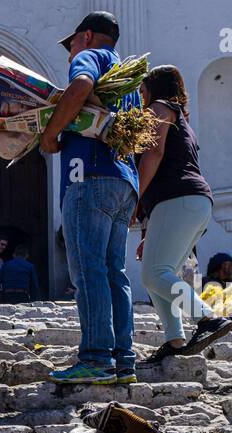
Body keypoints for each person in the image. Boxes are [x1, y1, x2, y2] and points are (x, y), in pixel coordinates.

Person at [40, 11, 142, 386]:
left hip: (89, 179)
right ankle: (123, 359)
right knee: (115, 273)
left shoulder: (92, 58)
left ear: (85, 36)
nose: (70, 55)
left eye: (71, 47)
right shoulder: (129, 79)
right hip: (123, 182)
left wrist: (51, 134)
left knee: (88, 270)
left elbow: (80, 84)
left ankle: (96, 357)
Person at [133, 64, 231, 365]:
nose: (140, 98)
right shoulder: (182, 119)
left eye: (141, 91)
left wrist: (134, 197)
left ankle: (208, 318)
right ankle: (175, 340)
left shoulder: (159, 108)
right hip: (189, 204)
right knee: (157, 274)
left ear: (152, 90)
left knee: (155, 273)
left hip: (179, 200)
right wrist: (150, 231)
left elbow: (155, 153)